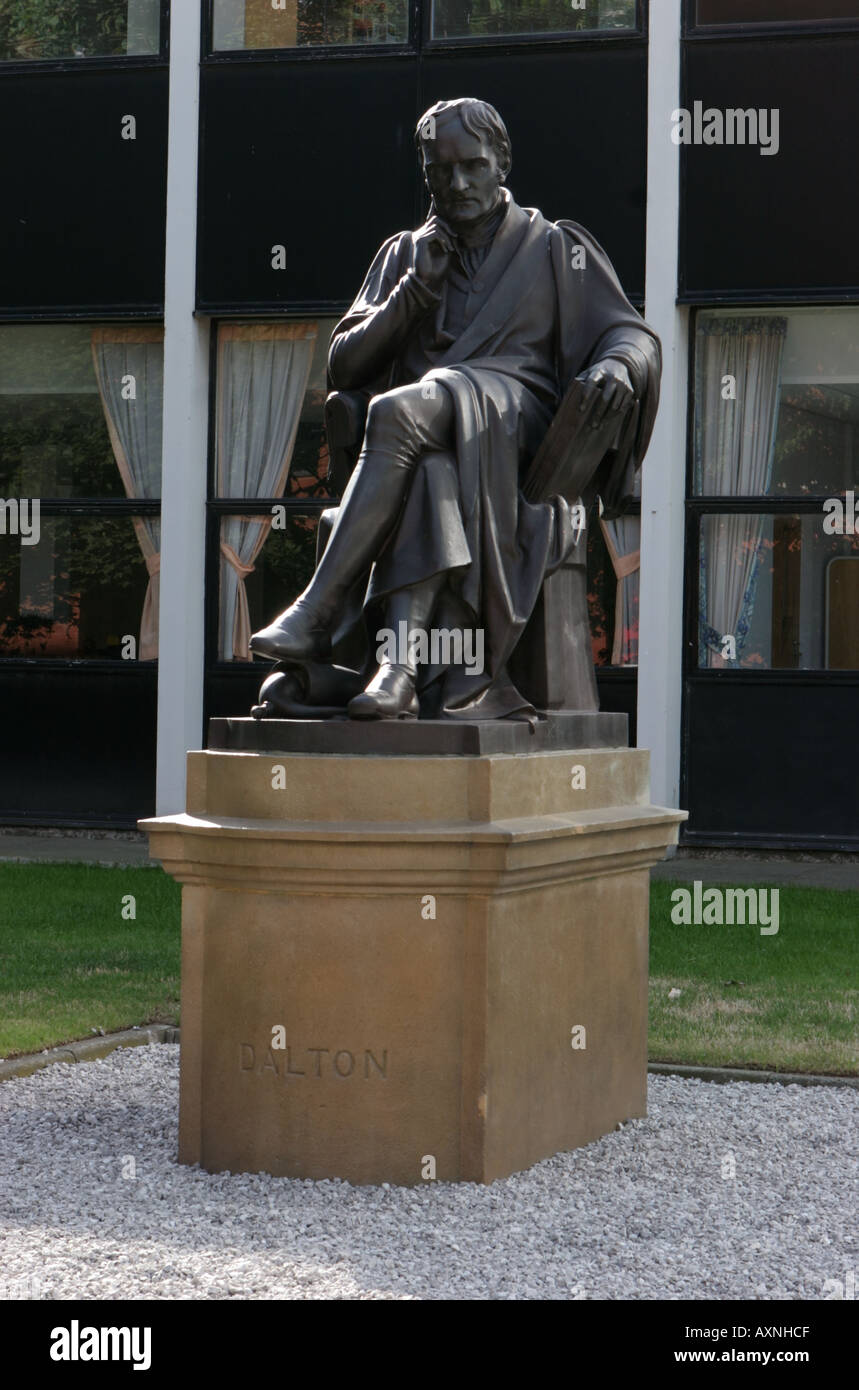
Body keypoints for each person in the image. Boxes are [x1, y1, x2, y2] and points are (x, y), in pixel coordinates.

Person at [250, 97, 660, 719]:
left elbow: (630, 333)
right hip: (427, 449)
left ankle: (318, 609)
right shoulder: (403, 256)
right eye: (441, 171)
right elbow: (344, 366)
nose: (457, 183)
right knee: (433, 470)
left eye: (472, 165)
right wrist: (411, 297)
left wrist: (616, 365)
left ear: (502, 163)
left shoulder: (554, 248)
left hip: (515, 426)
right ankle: (399, 670)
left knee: (399, 411)